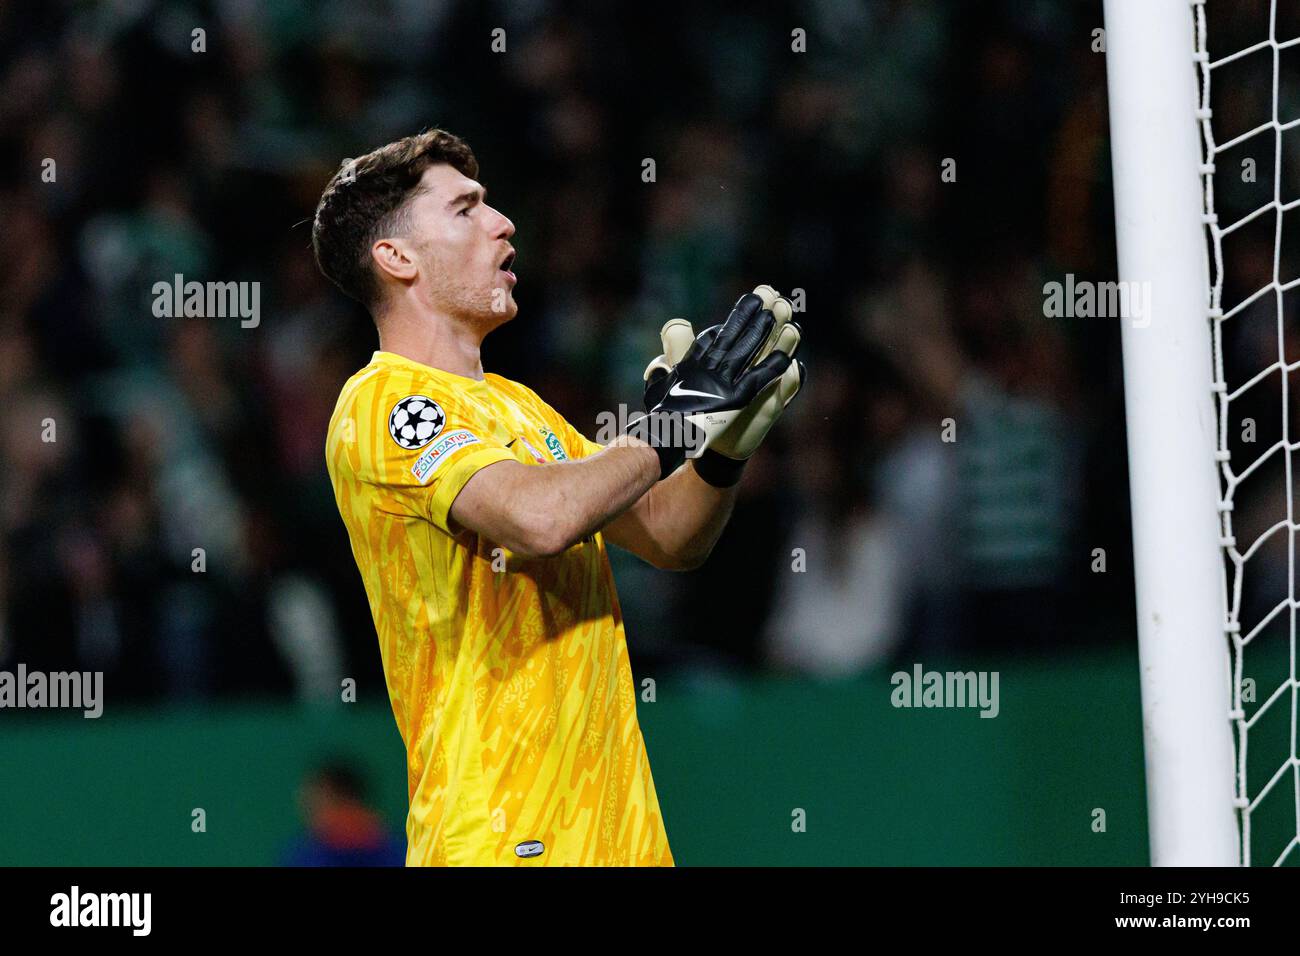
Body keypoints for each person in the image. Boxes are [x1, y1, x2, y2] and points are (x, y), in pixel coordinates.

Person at [312, 129, 801, 865]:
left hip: (620, 842)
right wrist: (672, 425)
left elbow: (667, 537)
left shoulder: (522, 408)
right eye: (465, 210)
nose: (502, 222)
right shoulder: (381, 404)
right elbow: (541, 519)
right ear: (398, 257)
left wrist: (720, 452)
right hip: (503, 839)